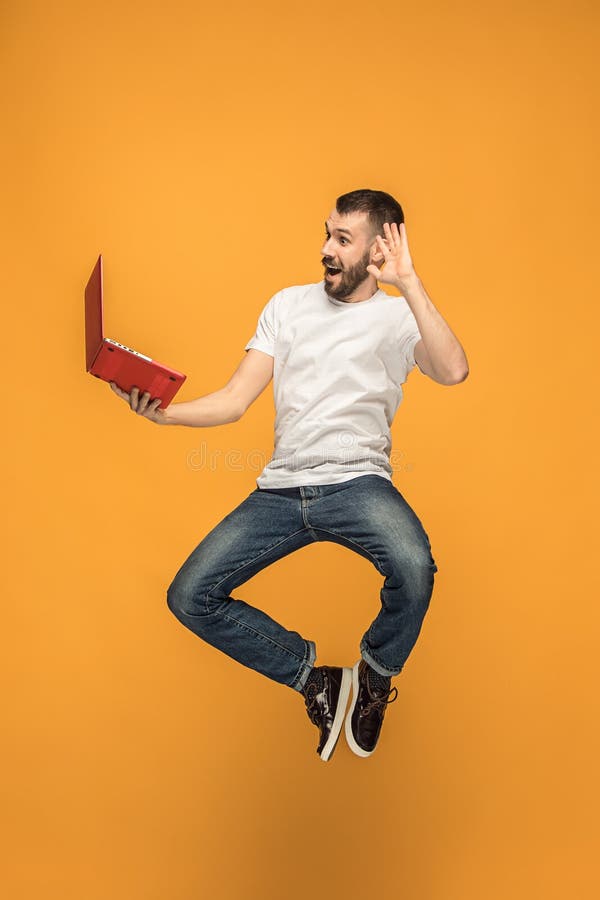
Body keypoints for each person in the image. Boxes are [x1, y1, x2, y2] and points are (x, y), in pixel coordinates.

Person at [109, 188, 469, 762]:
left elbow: (452, 370)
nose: (327, 249)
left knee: (415, 567)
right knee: (189, 596)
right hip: (280, 493)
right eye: (327, 234)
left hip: (358, 485)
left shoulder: (401, 317)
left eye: (343, 239)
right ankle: (314, 680)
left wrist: (409, 282)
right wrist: (165, 414)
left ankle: (374, 676)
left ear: (378, 250)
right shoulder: (287, 306)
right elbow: (234, 400)